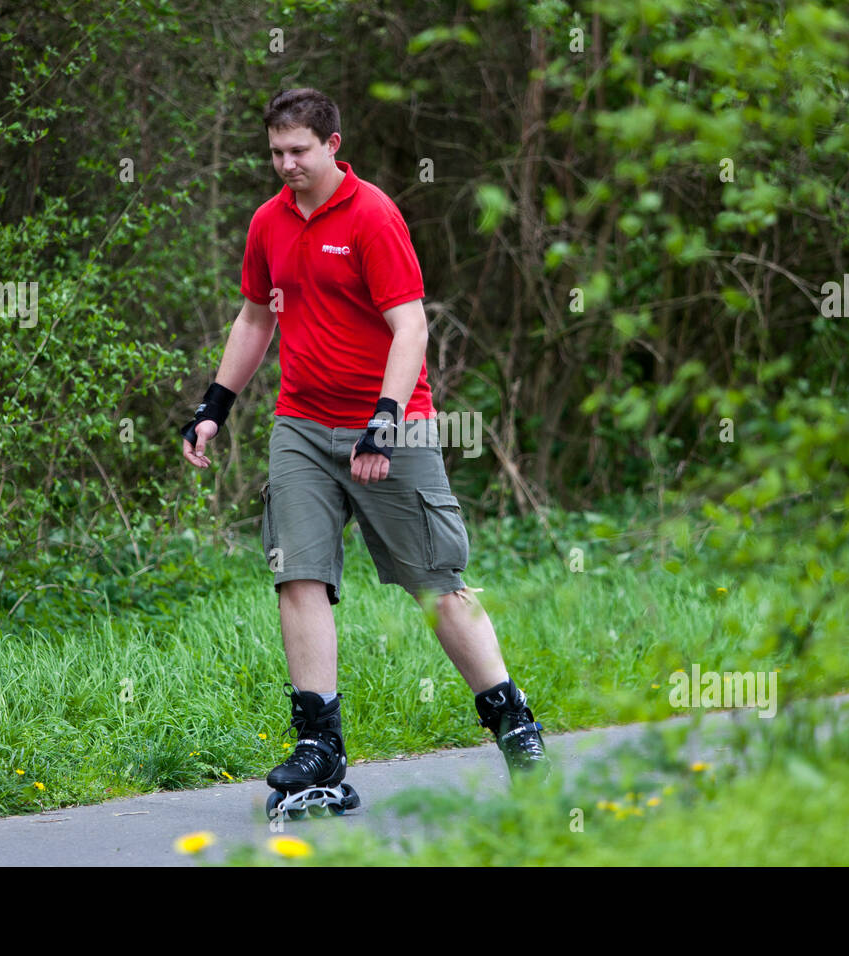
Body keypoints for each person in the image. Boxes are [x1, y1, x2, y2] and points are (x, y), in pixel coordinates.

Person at [179, 88, 547, 812]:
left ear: (333, 146)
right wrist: (214, 405)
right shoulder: (267, 224)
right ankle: (320, 743)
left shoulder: (373, 216)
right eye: (276, 153)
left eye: (299, 152)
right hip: (302, 425)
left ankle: (512, 720)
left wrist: (383, 422)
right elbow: (256, 316)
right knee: (299, 572)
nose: (286, 165)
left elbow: (410, 328)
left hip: (391, 423)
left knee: (436, 584)